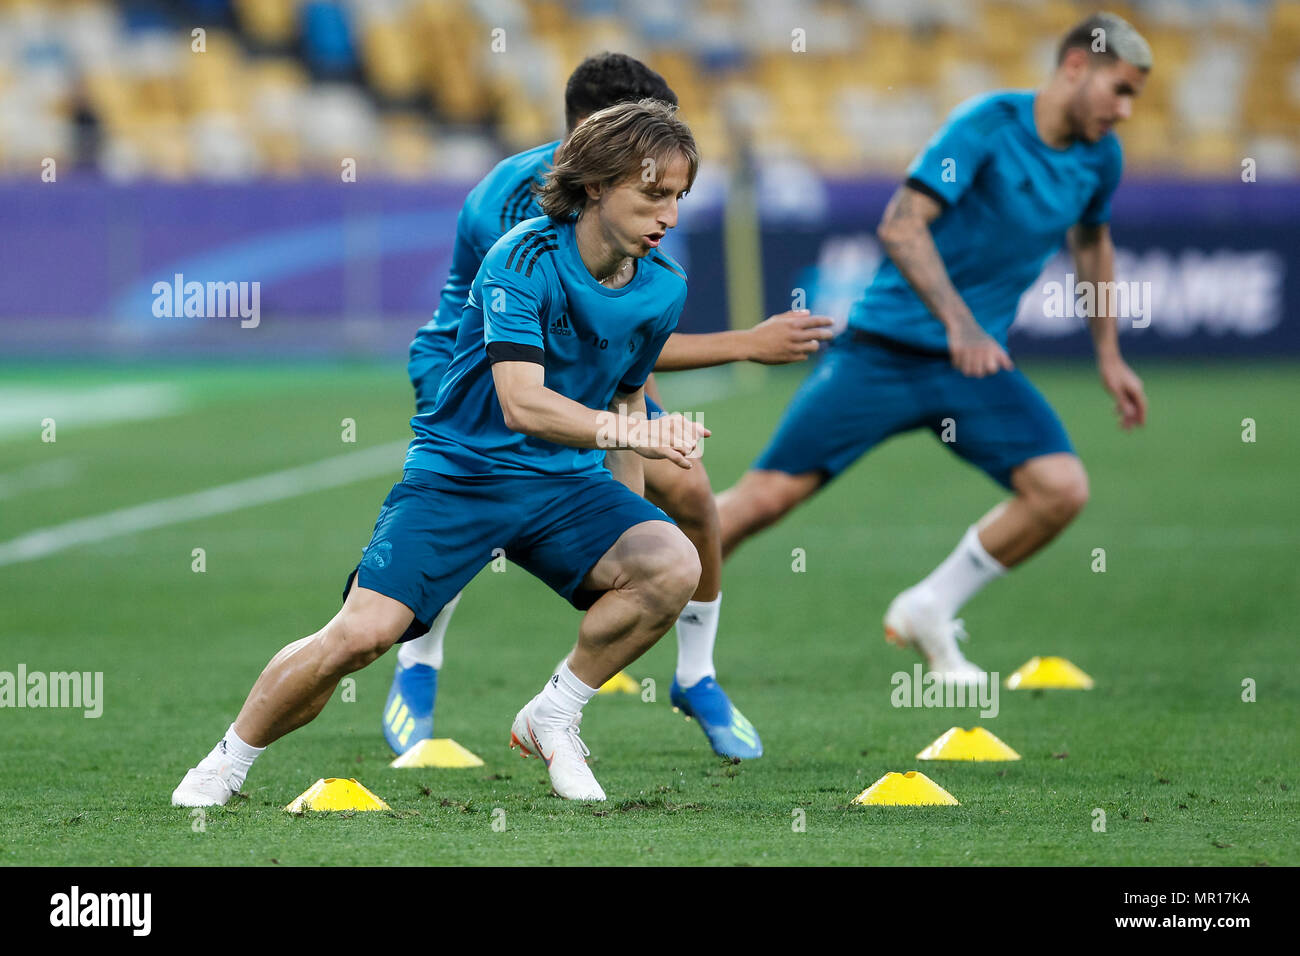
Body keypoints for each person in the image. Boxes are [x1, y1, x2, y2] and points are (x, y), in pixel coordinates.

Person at [172, 99, 707, 805]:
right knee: (361, 637)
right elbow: (524, 404)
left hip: (565, 488)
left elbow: (625, 397)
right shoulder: (520, 257)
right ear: (598, 185)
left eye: (678, 197)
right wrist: (637, 433)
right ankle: (227, 760)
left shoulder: (663, 285)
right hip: (460, 477)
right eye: (654, 194)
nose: (669, 215)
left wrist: (630, 509)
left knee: (671, 565)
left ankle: (555, 713)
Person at [387, 52, 831, 760]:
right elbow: (537, 348)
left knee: (688, 488)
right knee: (469, 502)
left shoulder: (640, 226)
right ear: (597, 142)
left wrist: (637, 437)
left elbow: (617, 341)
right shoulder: (505, 204)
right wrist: (744, 343)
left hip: (577, 370)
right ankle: (420, 658)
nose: (665, 187)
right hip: (470, 372)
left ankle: (696, 673)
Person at [716, 13, 1151, 683]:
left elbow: (1092, 243)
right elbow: (901, 224)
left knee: (1060, 489)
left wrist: (1109, 354)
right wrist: (961, 321)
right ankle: (638, 585)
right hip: (883, 353)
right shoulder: (984, 127)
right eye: (1118, 90)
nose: (1124, 111)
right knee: (761, 502)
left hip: (971, 368)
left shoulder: (1101, 157)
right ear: (1074, 68)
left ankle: (929, 607)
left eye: (1135, 98)